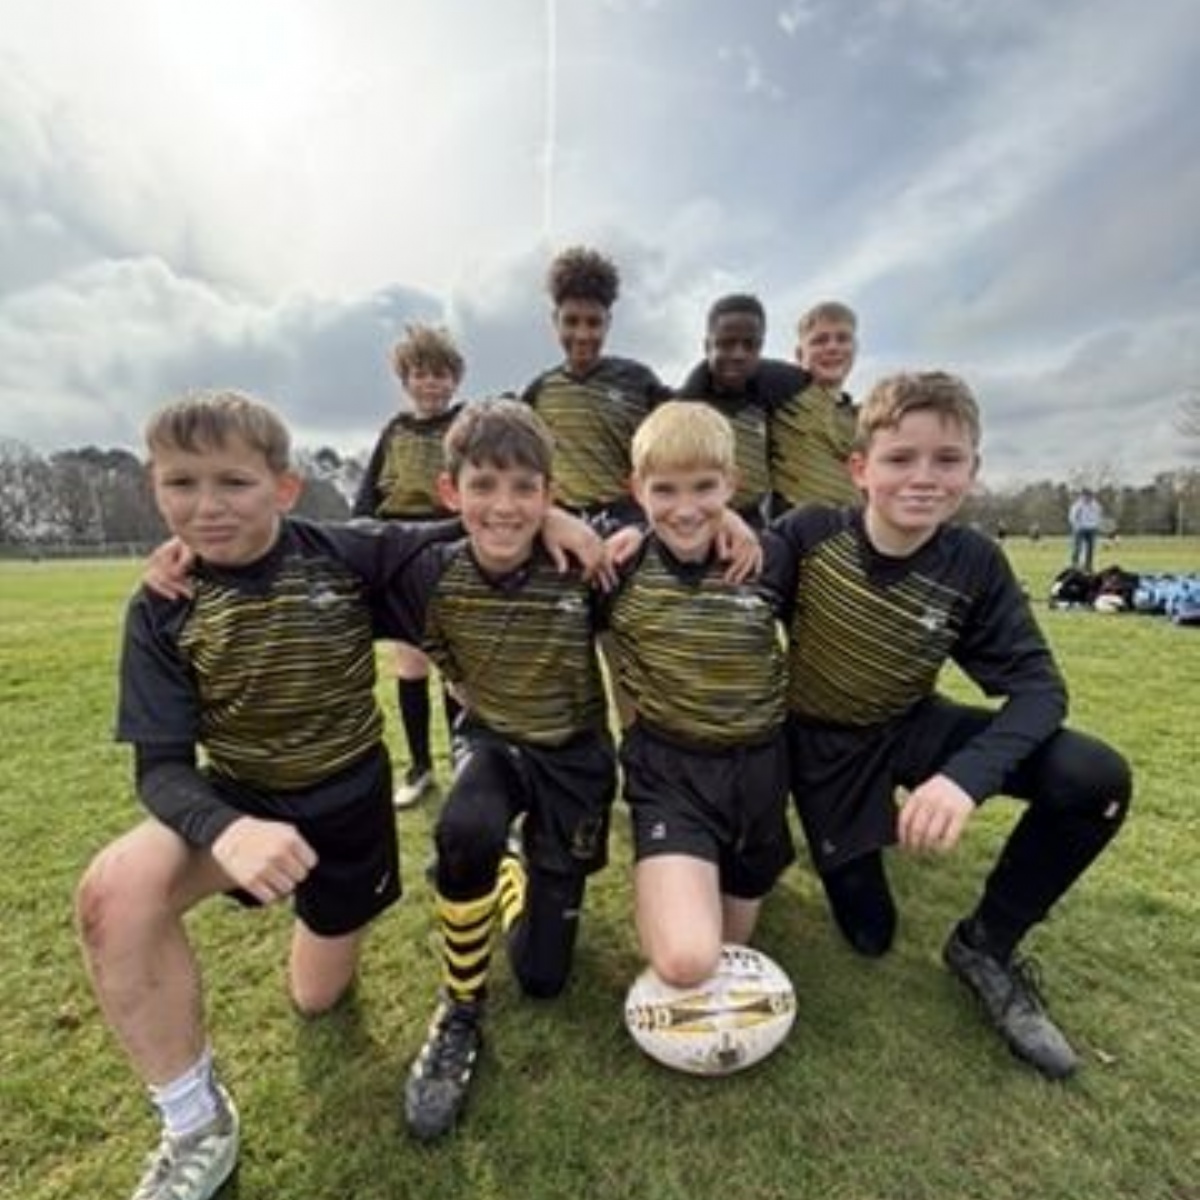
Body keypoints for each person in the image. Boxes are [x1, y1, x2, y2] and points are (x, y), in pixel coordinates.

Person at [74, 390, 451, 1200]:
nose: (205, 508)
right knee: (114, 893)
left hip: (350, 810)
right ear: (154, 487)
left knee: (317, 1000)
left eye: (232, 483)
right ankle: (195, 1123)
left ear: (281, 488)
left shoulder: (347, 554)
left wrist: (560, 520)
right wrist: (230, 827)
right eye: (181, 484)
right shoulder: (163, 606)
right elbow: (161, 768)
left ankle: (322, 929)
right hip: (237, 804)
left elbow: (483, 524)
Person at [774, 371, 1132, 1080]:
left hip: (909, 724)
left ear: (972, 470)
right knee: (870, 933)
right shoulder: (809, 535)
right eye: (900, 458)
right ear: (861, 469)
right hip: (821, 744)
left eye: (947, 460)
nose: (923, 478)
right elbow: (725, 570)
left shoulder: (973, 562)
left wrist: (964, 780)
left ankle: (985, 946)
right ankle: (845, 837)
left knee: (1095, 779)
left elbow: (1037, 690)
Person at [384, 398, 618, 1141]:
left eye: (526, 488)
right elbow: (300, 546)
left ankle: (516, 877)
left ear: (551, 494)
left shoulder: (585, 563)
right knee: (466, 827)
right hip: (492, 740)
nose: (504, 505)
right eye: (483, 485)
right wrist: (186, 550)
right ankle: (460, 1010)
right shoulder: (423, 572)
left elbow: (680, 532)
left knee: (546, 979)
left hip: (575, 755)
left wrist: (737, 522)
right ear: (451, 493)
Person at [599, 401, 793, 987]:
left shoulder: (770, 559)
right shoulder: (616, 566)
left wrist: (734, 522)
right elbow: (516, 532)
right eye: (665, 490)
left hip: (759, 769)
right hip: (669, 771)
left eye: (705, 487)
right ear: (637, 489)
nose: (685, 510)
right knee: (688, 961)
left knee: (732, 944)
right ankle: (672, 870)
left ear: (732, 483)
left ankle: (728, 867)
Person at [354, 323, 467, 809]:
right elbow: (365, 503)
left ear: (455, 379)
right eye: (422, 374)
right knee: (410, 662)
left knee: (454, 664)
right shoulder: (394, 432)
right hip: (399, 552)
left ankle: (465, 759)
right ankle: (420, 766)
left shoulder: (464, 426)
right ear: (406, 379)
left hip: (450, 546)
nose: (432, 384)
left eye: (442, 374)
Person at [521, 245, 671, 524]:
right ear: (555, 321)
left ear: (608, 323)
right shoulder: (539, 391)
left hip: (627, 520)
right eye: (571, 322)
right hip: (561, 522)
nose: (582, 334)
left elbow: (673, 443)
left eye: (593, 323)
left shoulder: (638, 381)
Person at [677, 293, 804, 526]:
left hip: (757, 518)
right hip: (698, 521)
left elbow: (816, 381)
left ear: (760, 347)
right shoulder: (684, 409)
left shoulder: (777, 387)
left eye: (750, 345)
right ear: (707, 346)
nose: (738, 355)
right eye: (726, 344)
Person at [769, 300, 860, 514]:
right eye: (820, 340)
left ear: (855, 349)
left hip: (855, 533)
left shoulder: (863, 417)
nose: (832, 347)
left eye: (843, 339)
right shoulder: (781, 394)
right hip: (795, 534)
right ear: (800, 355)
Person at [1069, 488, 1104, 571]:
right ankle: (1074, 565)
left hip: (1091, 529)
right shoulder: (1077, 505)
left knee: (1090, 549)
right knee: (1077, 548)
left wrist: (1096, 525)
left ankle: (1088, 566)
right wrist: (1076, 526)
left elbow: (1098, 515)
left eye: (1089, 496)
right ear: (1082, 496)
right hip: (1080, 529)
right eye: (1085, 496)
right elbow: (1072, 517)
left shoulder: (1096, 505)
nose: (1088, 498)